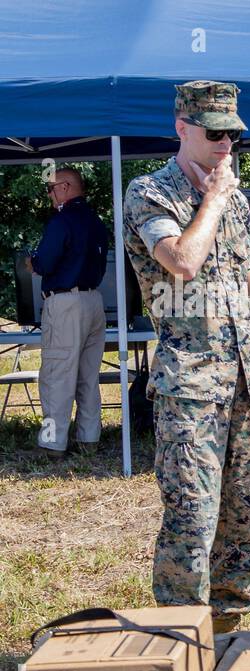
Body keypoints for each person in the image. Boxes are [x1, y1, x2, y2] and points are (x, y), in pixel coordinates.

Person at [122, 80, 250, 632]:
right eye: (215, 132)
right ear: (182, 129)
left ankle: (228, 626)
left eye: (234, 133)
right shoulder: (150, 192)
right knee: (192, 513)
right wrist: (211, 198)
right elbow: (182, 261)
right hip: (189, 384)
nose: (227, 143)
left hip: (246, 380)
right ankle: (181, 634)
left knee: (248, 510)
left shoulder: (235, 199)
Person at [28, 167, 109, 459]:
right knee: (88, 375)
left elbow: (45, 263)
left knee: (57, 374)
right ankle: (89, 439)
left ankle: (52, 443)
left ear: (64, 187)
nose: (49, 195)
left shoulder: (62, 220)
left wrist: (32, 263)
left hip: (65, 302)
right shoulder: (96, 222)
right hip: (93, 302)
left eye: (50, 189)